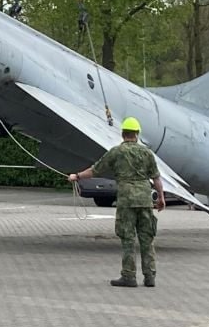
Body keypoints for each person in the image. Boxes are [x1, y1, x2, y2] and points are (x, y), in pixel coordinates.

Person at [67, 116, 164, 288]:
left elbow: (96, 169)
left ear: (123, 134)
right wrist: (161, 198)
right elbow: (156, 178)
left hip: (126, 200)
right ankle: (150, 276)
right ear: (137, 133)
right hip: (144, 199)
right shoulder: (147, 153)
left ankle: (129, 276)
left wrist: (77, 176)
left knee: (127, 238)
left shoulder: (116, 152)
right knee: (147, 238)